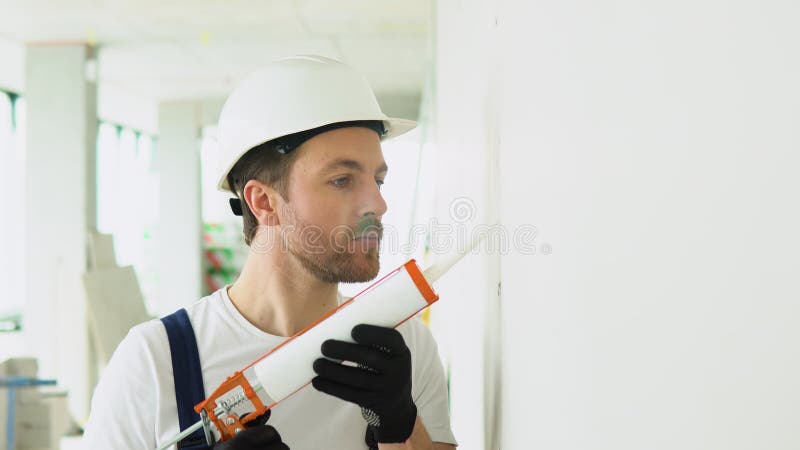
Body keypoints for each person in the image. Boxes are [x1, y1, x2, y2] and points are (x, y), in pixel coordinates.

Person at [82, 55, 457, 450]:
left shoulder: (403, 350)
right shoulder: (156, 362)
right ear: (263, 201)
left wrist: (401, 425)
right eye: (342, 180)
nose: (377, 204)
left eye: (377, 180)